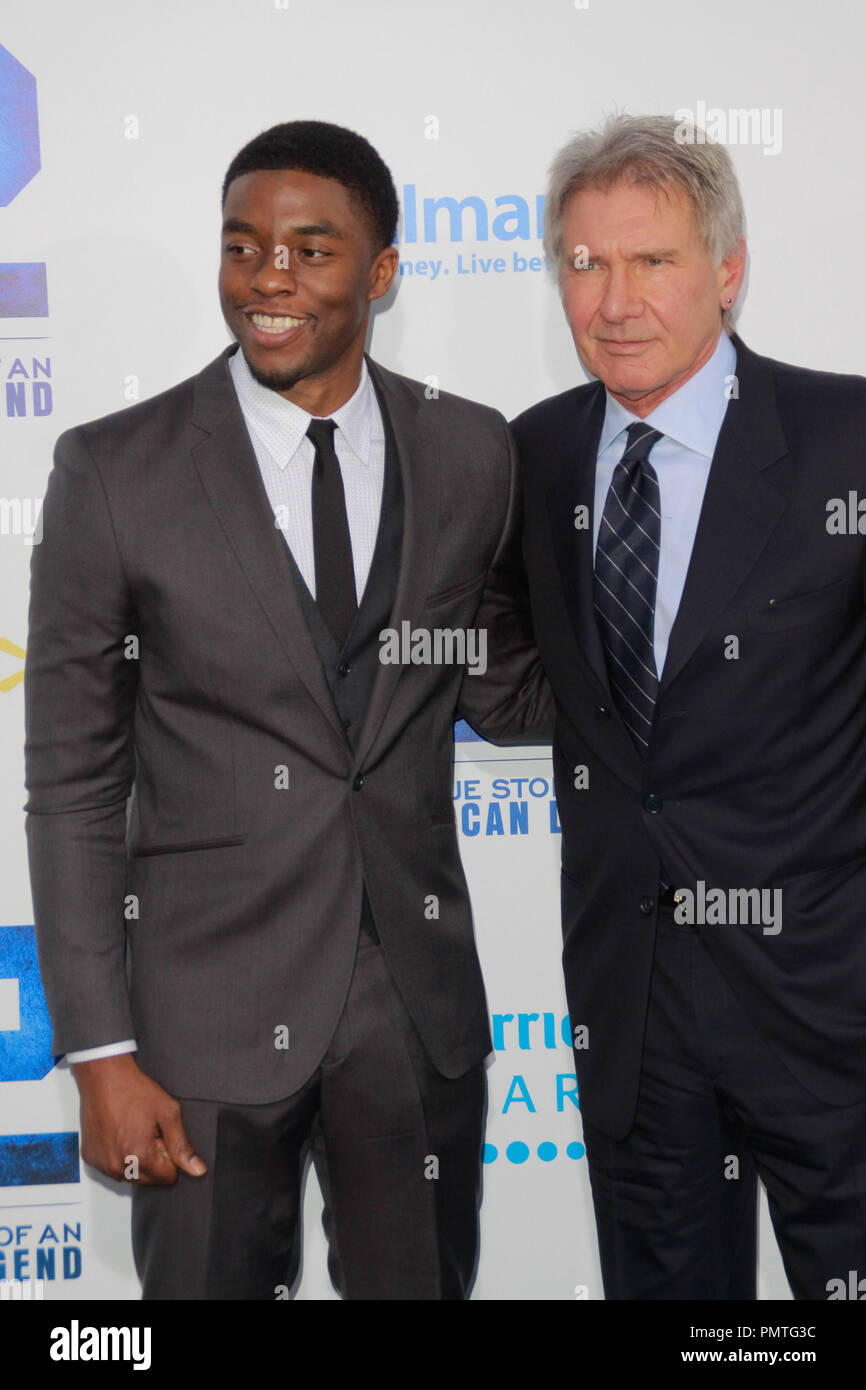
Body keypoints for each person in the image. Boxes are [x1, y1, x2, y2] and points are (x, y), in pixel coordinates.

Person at [24, 119, 550, 1301]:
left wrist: (723, 659)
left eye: (311, 251)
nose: (268, 275)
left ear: (380, 273)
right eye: (242, 245)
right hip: (196, 1028)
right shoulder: (114, 470)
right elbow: (69, 781)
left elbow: (504, 687)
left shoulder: (468, 452)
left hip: (411, 1014)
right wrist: (99, 1051)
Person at [511, 113, 866, 1299]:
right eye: (582, 262)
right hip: (634, 1019)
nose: (612, 300)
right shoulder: (529, 460)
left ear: (725, 269)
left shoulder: (844, 443)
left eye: (650, 260)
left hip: (830, 1011)